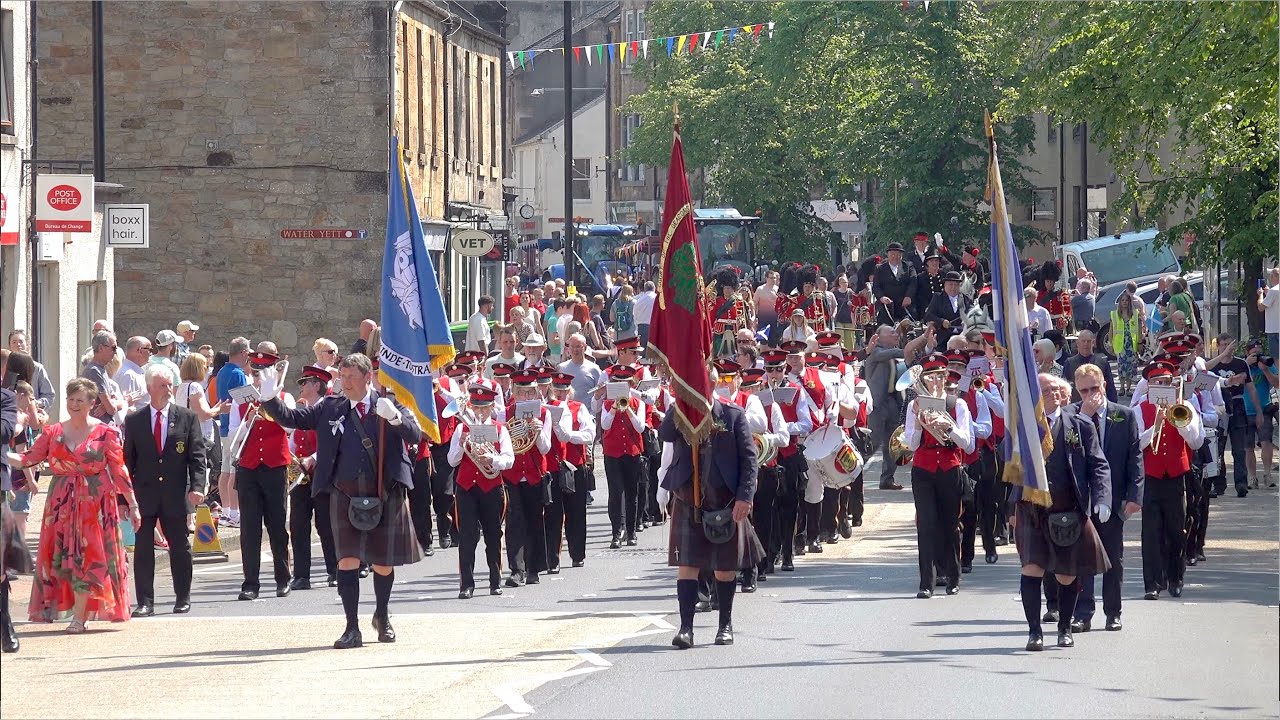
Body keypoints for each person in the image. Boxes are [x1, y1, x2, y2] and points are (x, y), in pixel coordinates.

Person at [260, 353, 423, 648]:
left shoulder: (387, 402)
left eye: (350, 377)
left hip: (384, 491)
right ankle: (351, 628)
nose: (344, 383)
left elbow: (415, 435)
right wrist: (271, 399)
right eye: (341, 377)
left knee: (383, 563)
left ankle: (382, 617)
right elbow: (295, 419)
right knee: (346, 560)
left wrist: (395, 418)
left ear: (366, 377)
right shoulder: (331, 407)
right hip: (345, 492)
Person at [6, 378, 141, 631]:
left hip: (96, 505)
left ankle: (80, 617)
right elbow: (28, 458)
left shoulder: (106, 432)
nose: (74, 404)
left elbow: (119, 469)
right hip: (61, 505)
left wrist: (132, 504)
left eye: (80, 400)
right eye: (70, 399)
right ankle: (76, 614)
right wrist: (4, 455)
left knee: (88, 558)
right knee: (64, 559)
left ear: (92, 403)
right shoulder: (52, 432)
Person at [656, 367, 763, 648]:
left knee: (724, 570)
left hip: (724, 502)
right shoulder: (681, 412)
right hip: (688, 500)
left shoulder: (732, 414)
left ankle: (724, 625)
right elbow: (665, 433)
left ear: (714, 384)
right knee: (687, 566)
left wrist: (745, 497)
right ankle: (686, 629)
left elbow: (749, 461)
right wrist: (679, 402)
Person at [1013, 373, 1111, 651]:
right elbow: (1005, 458)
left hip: (1068, 510)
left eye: (1057, 389)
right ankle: (1034, 632)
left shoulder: (1080, 424)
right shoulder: (1023, 425)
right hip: (1031, 509)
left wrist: (1102, 498)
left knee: (1066, 574)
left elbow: (1098, 463)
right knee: (1031, 569)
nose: (1053, 393)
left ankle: (1064, 627)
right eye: (1046, 389)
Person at [1064, 363, 1143, 633]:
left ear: (1104, 386)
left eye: (1094, 388)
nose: (1090, 395)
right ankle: (1082, 613)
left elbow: (1135, 459)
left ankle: (1113, 612)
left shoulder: (1124, 415)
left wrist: (1134, 497)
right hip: (1079, 498)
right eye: (1083, 390)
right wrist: (1083, 416)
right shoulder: (1070, 416)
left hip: (1114, 498)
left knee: (1112, 558)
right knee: (1082, 558)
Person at [124, 366, 208, 617]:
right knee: (143, 549)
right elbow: (127, 462)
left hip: (175, 493)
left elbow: (197, 456)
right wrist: (123, 499)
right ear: (150, 388)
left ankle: (182, 597)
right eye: (162, 385)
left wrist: (196, 487)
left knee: (180, 547)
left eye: (170, 385)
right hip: (145, 494)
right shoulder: (135, 420)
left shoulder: (186, 417)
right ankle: (145, 602)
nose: (168, 390)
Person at [223, 348, 295, 601]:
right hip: (249, 469)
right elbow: (233, 435)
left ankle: (283, 578)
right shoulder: (242, 401)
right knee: (249, 529)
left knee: (277, 526)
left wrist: (271, 409)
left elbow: (289, 427)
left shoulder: (284, 397)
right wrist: (249, 421)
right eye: (254, 373)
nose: (257, 378)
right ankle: (250, 583)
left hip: (275, 468)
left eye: (262, 373)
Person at [904, 354, 975, 598]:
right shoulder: (914, 406)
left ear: (945, 378)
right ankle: (926, 582)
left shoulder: (958, 405)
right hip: (923, 469)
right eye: (929, 376)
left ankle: (953, 577)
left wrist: (949, 428)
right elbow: (912, 445)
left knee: (950, 524)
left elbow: (968, 445)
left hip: (949, 468)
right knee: (925, 525)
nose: (934, 381)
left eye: (938, 376)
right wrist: (917, 422)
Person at [1135, 360, 1204, 600]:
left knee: (1177, 530)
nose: (1162, 387)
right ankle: (1152, 583)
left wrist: (1179, 422)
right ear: (1149, 386)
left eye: (1166, 383)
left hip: (1177, 477)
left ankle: (1176, 577)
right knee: (1151, 532)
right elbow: (1136, 446)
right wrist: (1154, 427)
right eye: (1157, 383)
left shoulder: (1186, 407)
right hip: (1151, 478)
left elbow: (1197, 442)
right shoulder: (1140, 408)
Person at [448, 385, 514, 599]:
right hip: (466, 488)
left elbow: (509, 460)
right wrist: (460, 445)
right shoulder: (461, 429)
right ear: (470, 406)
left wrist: (492, 459)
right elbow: (452, 460)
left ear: (491, 407)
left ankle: (495, 581)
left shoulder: (499, 429)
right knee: (467, 536)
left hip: (491, 487)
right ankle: (466, 585)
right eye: (476, 407)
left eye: (484, 408)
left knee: (493, 535)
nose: (480, 412)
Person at [287, 366, 340, 589]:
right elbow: (293, 439)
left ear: (317, 385)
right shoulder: (304, 411)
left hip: (323, 474)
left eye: (304, 383)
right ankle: (301, 575)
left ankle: (335, 570)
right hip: (301, 474)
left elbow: (334, 443)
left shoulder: (330, 410)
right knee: (299, 524)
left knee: (326, 524)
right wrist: (291, 459)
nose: (301, 387)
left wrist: (313, 458)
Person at [544, 373, 595, 570]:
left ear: (569, 391)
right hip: (553, 467)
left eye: (564, 390)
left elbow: (589, 434)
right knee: (553, 514)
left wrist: (569, 435)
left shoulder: (578, 407)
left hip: (575, 465)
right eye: (557, 390)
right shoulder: (546, 410)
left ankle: (577, 554)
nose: (561, 393)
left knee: (576, 512)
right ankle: (553, 559)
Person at [1061, 330, 1117, 403]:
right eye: (1083, 341)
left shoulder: (1102, 363)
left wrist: (1113, 409)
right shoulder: (1069, 363)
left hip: (1097, 404)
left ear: (1093, 343)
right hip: (1076, 406)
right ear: (1078, 343)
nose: (1086, 344)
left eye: (1088, 341)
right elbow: (1064, 387)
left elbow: (1110, 387)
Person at [6, 330, 55, 409]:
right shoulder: (6, 367)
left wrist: (35, 403)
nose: (18, 345)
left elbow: (49, 395)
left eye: (21, 342)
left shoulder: (37, 368)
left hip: (32, 413)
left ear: (27, 344)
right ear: (9, 346)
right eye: (14, 342)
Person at [872, 242, 915, 322]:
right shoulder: (880, 269)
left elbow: (913, 282)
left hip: (904, 305)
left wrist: (909, 296)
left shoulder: (908, 266)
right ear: (888, 255)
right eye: (892, 254)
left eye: (898, 255)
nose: (895, 257)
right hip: (887, 306)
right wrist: (882, 297)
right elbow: (876, 286)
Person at [925, 271, 969, 348]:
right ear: (945, 284)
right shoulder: (938, 297)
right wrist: (941, 321)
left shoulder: (965, 298)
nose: (953, 288)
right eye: (951, 284)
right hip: (943, 339)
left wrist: (966, 320)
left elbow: (972, 312)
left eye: (956, 285)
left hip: (962, 339)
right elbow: (929, 315)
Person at [1110, 292, 1142, 395]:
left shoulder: (1135, 314)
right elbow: (1111, 330)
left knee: (1131, 366)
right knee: (1121, 366)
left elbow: (1139, 329)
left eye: (1126, 300)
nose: (1124, 302)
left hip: (1131, 344)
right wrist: (1110, 344)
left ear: (1129, 302)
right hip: (1120, 344)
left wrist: (1140, 342)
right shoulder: (1114, 314)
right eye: (1122, 300)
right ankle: (1122, 387)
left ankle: (1128, 388)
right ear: (1120, 302)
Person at [115, 336, 153, 411]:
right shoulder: (128, 375)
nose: (151, 353)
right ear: (140, 351)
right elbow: (127, 408)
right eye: (150, 350)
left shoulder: (135, 372)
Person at [1259, 268, 1280, 356]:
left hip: (1274, 329)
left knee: (1276, 357)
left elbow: (1261, 307)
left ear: (1272, 276)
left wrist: (1260, 295)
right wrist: (1268, 294)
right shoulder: (1273, 292)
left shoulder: (1273, 291)